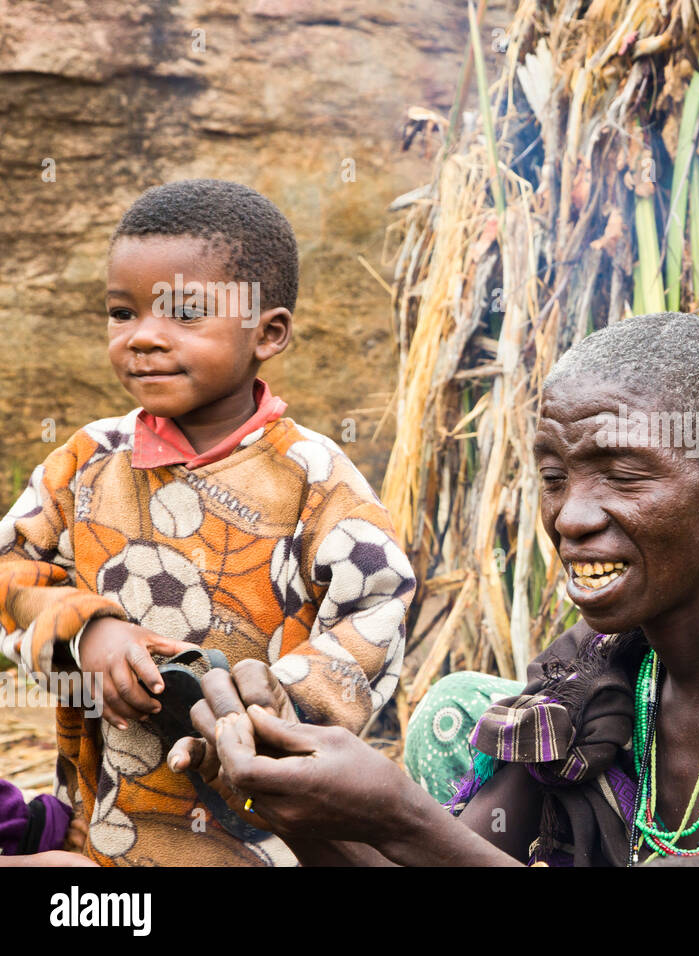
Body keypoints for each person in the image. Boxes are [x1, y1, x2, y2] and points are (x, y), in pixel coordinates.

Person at [175, 313, 699, 866]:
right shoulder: (589, 667)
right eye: (554, 477)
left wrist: (398, 810)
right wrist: (280, 795)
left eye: (623, 474)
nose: (571, 516)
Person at [0, 179, 416, 865]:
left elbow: (376, 607)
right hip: (113, 822)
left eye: (185, 314)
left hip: (269, 833)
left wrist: (276, 705)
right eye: (120, 312)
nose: (143, 338)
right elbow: (11, 573)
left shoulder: (313, 476)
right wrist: (86, 628)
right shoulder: (86, 462)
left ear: (268, 332)